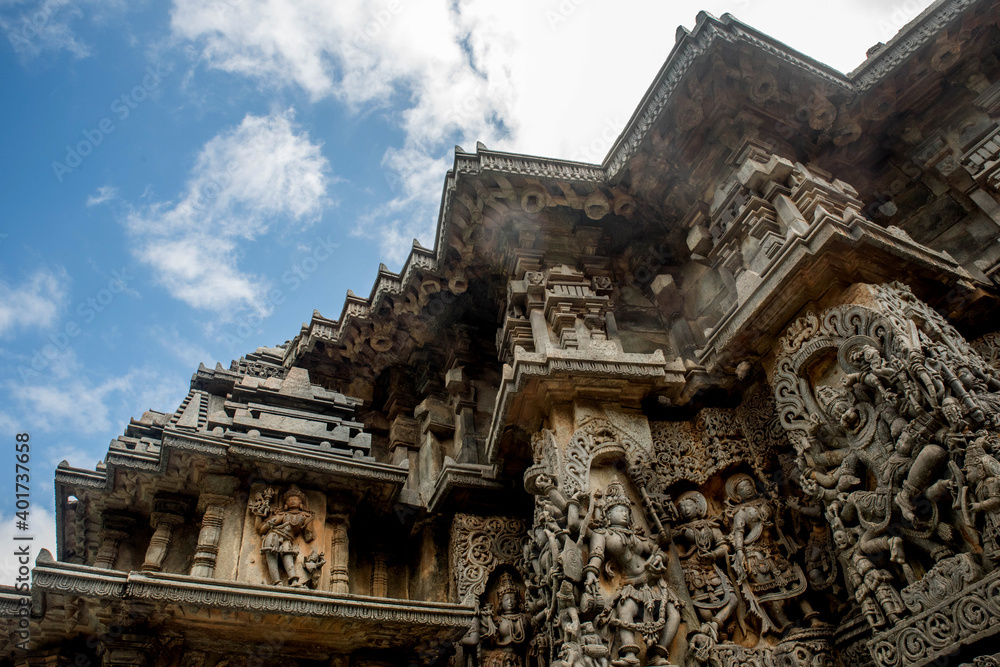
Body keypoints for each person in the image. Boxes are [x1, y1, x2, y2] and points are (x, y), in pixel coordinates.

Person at [257, 485, 314, 587]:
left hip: (287, 539)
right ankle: (277, 582)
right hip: (274, 535)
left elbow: (308, 537)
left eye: (296, 499)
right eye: (289, 499)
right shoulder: (283, 515)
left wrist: (309, 524)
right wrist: (266, 520)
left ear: (301, 503)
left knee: (288, 555)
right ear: (285, 503)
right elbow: (261, 529)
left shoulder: (305, 516)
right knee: (271, 556)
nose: (292, 501)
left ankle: (294, 581)